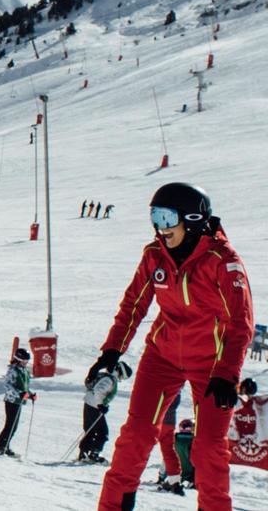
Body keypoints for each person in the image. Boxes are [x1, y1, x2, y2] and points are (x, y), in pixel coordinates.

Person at [92, 182, 252, 511]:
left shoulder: (223, 261)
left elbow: (240, 321)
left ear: (192, 220)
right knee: (135, 436)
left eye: (167, 218)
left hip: (212, 364)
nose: (160, 228)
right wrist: (112, 351)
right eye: (154, 218)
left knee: (208, 448)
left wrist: (227, 373)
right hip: (162, 356)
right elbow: (133, 305)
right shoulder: (155, 256)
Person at [80, 361, 132, 462]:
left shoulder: (106, 376)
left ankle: (84, 453)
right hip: (95, 406)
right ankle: (93, 455)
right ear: (118, 371)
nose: (120, 379)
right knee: (103, 433)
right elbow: (98, 390)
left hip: (89, 403)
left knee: (90, 430)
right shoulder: (109, 380)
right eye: (121, 376)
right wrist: (100, 405)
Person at [0, 348, 35, 456]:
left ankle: (5, 446)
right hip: (11, 400)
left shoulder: (24, 371)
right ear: (19, 359)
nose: (26, 362)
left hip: (18, 401)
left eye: (27, 361)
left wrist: (30, 395)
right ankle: (0, 446)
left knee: (14, 426)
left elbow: (24, 387)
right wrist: (19, 394)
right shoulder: (13, 370)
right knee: (10, 425)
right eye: (24, 360)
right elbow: (7, 385)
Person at [156, 395, 184, 494]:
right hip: (170, 422)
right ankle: (174, 480)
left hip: (157, 419)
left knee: (142, 445)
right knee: (168, 450)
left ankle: (127, 475)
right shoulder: (178, 387)